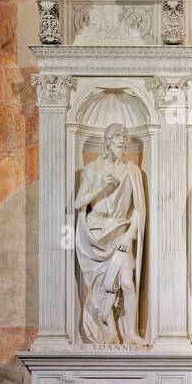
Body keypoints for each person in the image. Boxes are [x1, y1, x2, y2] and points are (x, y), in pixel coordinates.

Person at [74, 124, 147, 346]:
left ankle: (132, 332)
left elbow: (139, 209)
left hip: (121, 231)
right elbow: (78, 203)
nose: (122, 143)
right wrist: (100, 188)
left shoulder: (132, 171)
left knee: (126, 281)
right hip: (96, 234)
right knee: (101, 286)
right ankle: (109, 327)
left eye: (125, 140)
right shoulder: (92, 169)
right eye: (118, 139)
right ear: (108, 141)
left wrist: (129, 235)